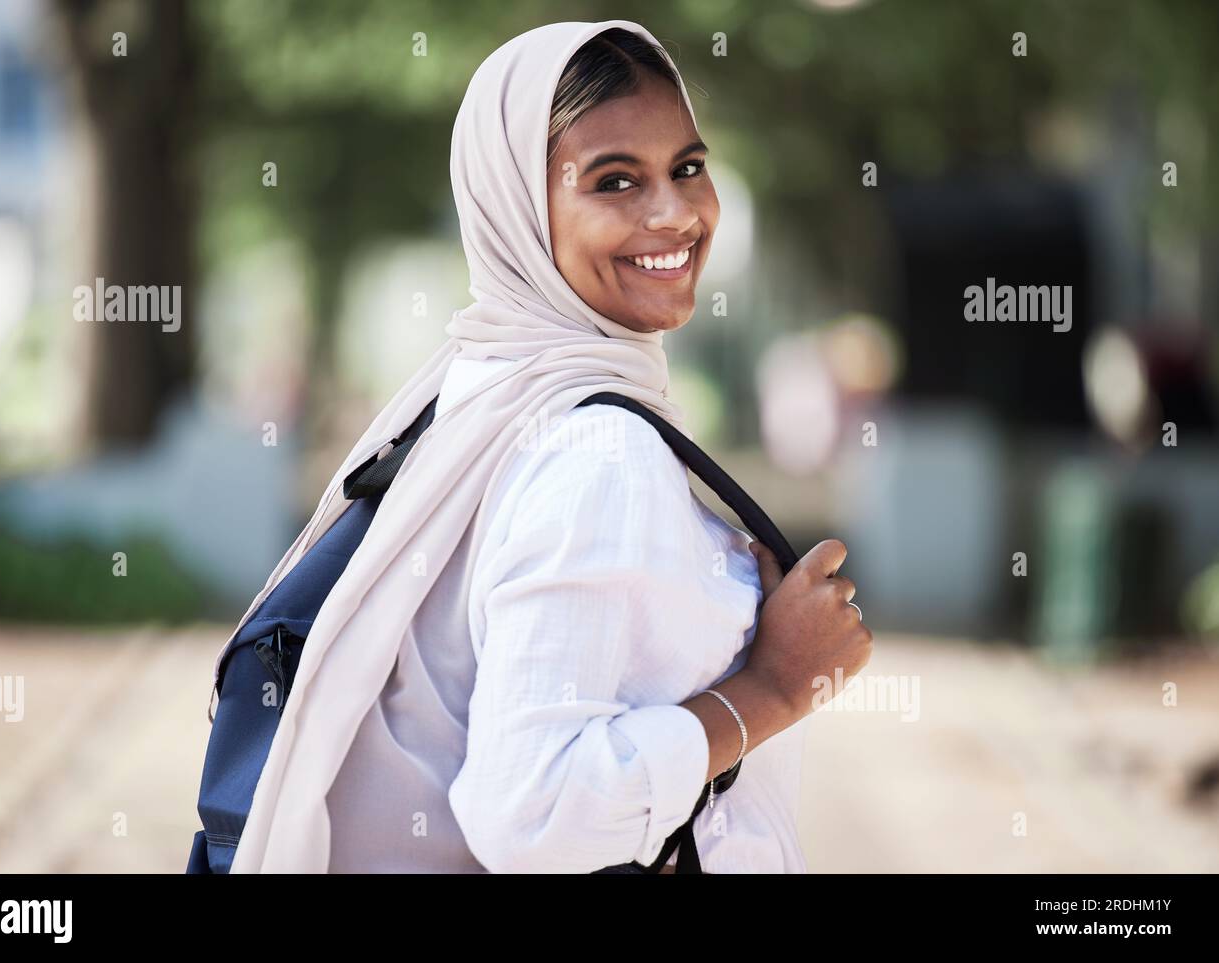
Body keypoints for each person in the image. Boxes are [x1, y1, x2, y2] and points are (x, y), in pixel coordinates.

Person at [224, 19, 871, 874]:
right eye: (615, 181)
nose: (676, 213)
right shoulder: (597, 446)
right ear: (521, 211)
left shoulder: (473, 390)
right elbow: (532, 812)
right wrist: (772, 690)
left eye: (687, 167)